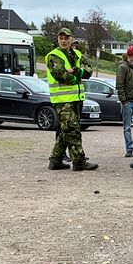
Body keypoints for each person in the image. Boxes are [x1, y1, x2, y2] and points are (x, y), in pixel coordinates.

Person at [46, 28, 98, 171]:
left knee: (66, 131)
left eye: (66, 38)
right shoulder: (53, 56)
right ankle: (79, 161)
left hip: (76, 98)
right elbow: (62, 75)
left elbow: (88, 71)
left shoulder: (77, 54)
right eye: (61, 38)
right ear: (58, 39)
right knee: (73, 130)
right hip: (62, 101)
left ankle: (55, 160)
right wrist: (78, 74)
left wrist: (76, 71)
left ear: (71, 39)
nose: (63, 41)